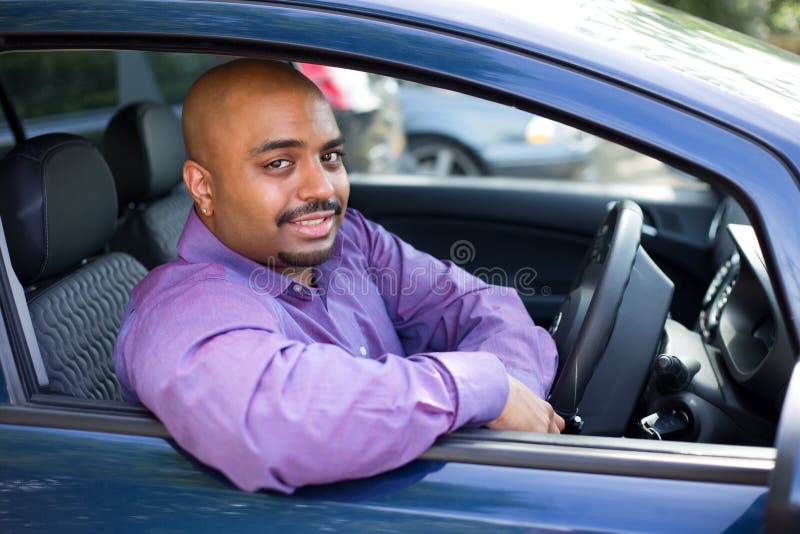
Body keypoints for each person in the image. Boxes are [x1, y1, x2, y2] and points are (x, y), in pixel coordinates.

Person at [113, 59, 564, 494]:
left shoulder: (350, 242)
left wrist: (515, 396)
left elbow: (480, 305)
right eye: (278, 163)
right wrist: (482, 388)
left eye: (330, 156)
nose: (323, 189)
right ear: (204, 187)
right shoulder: (184, 307)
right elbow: (280, 421)